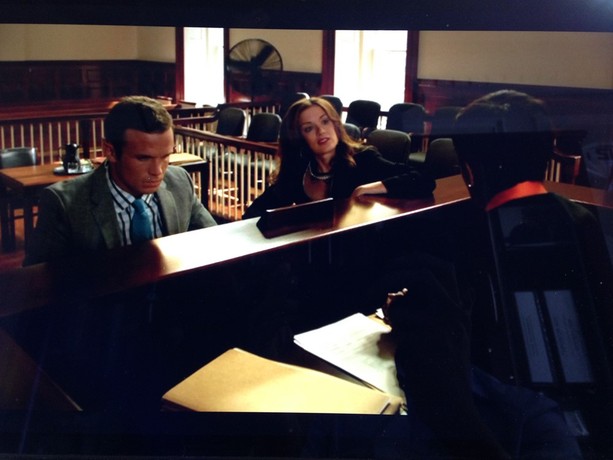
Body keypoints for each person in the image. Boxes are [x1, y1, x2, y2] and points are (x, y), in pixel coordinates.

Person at [376, 90, 613, 459]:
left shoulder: (463, 231)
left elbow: (441, 337)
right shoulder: (582, 220)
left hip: (497, 423)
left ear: (470, 171)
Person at [24, 95, 216, 266]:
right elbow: (39, 281)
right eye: (143, 158)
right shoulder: (64, 204)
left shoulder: (180, 181)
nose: (158, 171)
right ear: (110, 151)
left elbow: (215, 242)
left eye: (165, 156)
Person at [242, 97, 435, 219]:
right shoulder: (299, 169)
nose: (321, 131)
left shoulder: (363, 159)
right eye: (309, 128)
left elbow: (424, 179)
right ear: (298, 138)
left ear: (335, 125)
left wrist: (369, 188)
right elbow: (255, 212)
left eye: (325, 121)